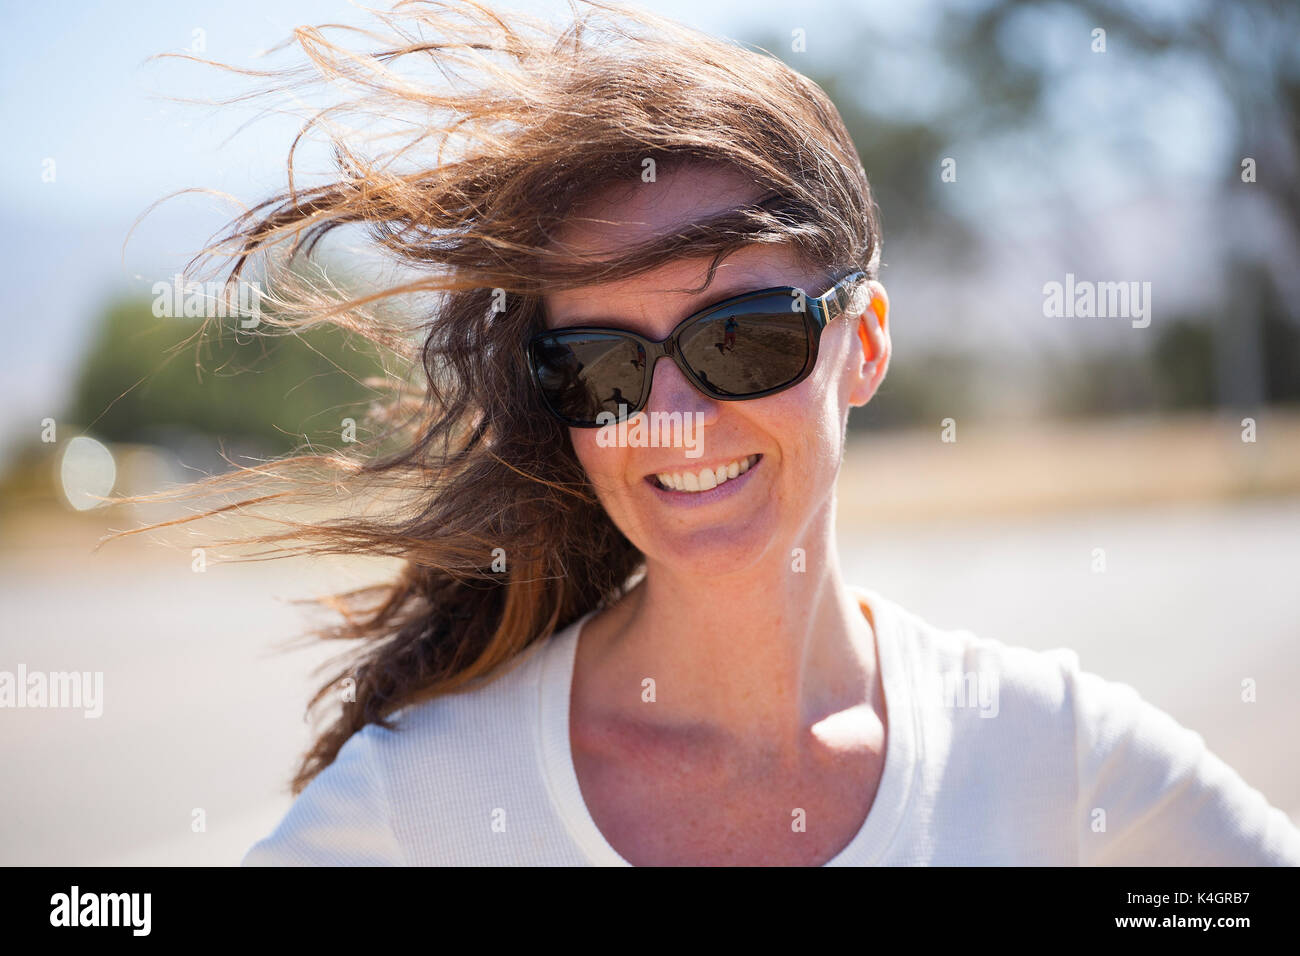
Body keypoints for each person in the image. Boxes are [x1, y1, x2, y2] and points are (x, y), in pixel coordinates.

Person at [170, 0, 1300, 866]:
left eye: (742, 335)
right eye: (602, 365)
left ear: (864, 343)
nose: (670, 417)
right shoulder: (423, 802)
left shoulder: (1050, 752)